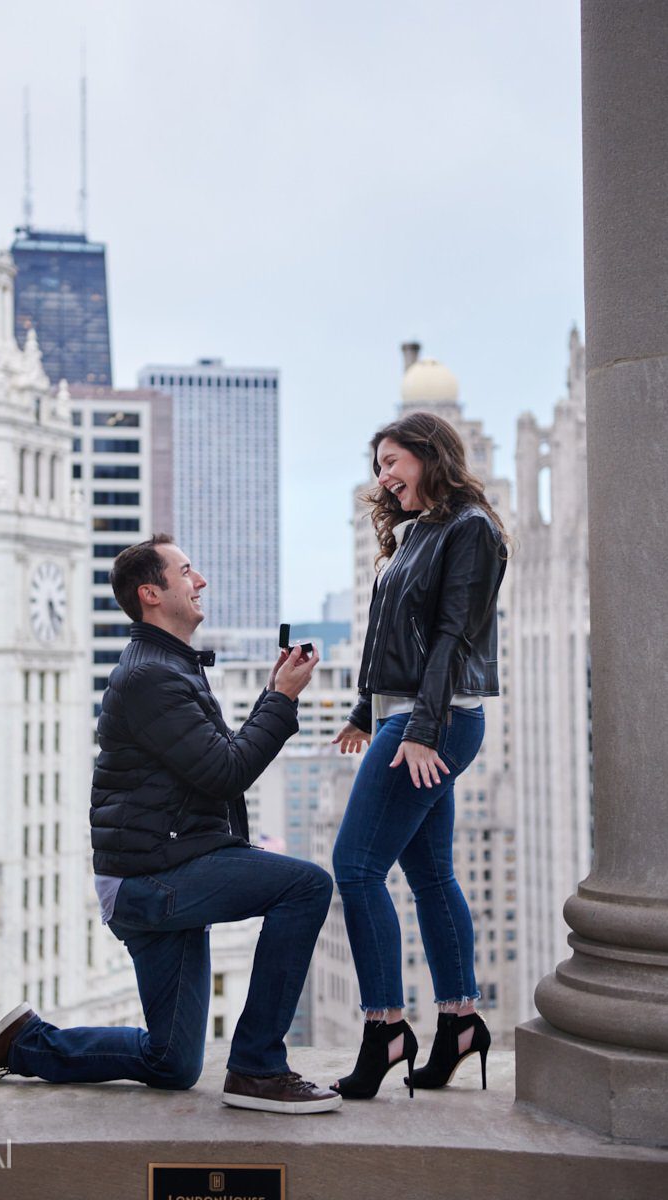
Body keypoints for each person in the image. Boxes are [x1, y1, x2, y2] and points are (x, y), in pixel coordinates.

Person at [0, 534, 342, 1114]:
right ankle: (258, 1068)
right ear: (151, 594)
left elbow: (214, 762)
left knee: (172, 1063)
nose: (201, 581)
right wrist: (283, 701)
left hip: (161, 871)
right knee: (307, 885)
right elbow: (226, 773)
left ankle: (27, 1044)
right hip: (153, 880)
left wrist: (271, 694)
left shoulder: (167, 668)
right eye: (187, 571)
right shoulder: (150, 677)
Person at [330, 412, 507, 1099]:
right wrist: (357, 713)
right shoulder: (416, 533)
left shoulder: (471, 530)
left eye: (391, 462)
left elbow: (449, 640)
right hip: (403, 717)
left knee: (355, 865)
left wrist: (422, 731)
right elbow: (386, 640)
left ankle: (385, 1028)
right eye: (376, 466)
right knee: (431, 874)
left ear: (428, 457)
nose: (382, 476)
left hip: (433, 722)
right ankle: (459, 1021)